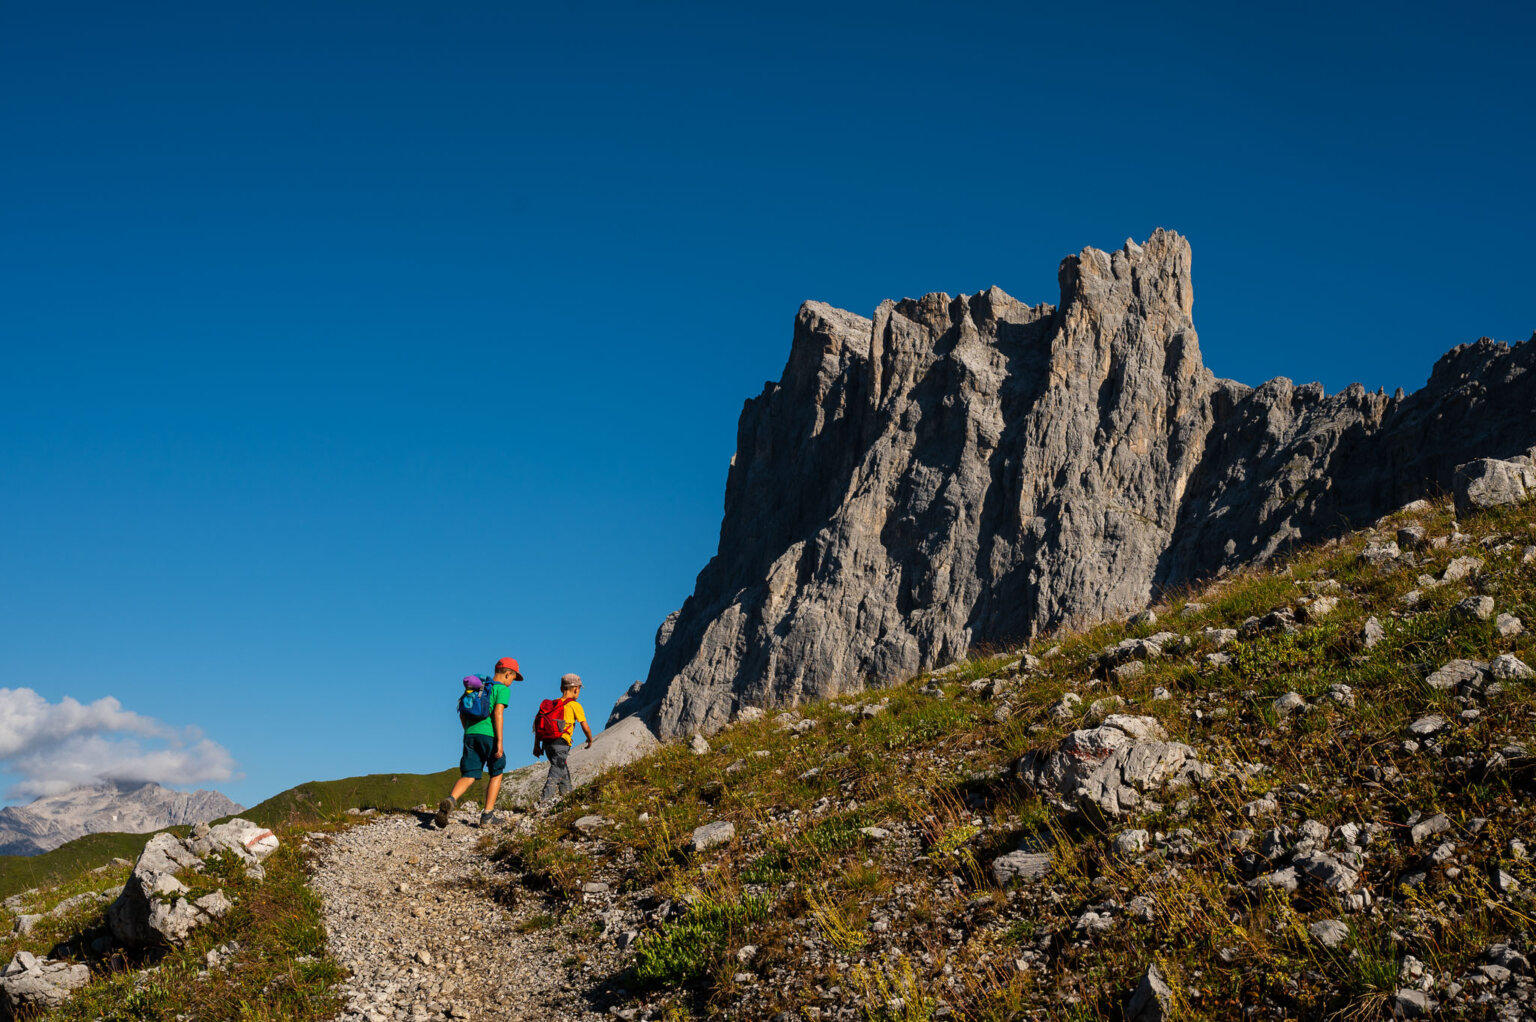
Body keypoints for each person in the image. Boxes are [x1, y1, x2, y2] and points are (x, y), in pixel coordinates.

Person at [436, 656, 522, 828]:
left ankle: (451, 799)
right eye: (513, 677)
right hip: (489, 736)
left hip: (470, 735)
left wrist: (468, 731)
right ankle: (487, 816)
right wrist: (499, 742)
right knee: (497, 771)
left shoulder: (478, 689)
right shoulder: (502, 689)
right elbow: (498, 714)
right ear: (507, 674)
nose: (513, 681)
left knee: (469, 774)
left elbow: (461, 712)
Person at [534, 672, 592, 803]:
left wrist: (536, 745)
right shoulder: (574, 705)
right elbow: (585, 726)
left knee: (562, 768)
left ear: (561, 688)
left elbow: (538, 725)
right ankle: (544, 800)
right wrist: (590, 739)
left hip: (547, 743)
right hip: (561, 742)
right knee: (556, 769)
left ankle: (567, 797)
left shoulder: (551, 705)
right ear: (576, 689)